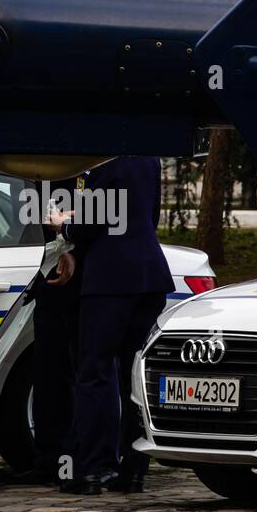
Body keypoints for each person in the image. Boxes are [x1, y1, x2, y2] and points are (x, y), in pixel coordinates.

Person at [53, 157, 172, 494]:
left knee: (95, 373)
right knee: (132, 378)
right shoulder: (149, 157)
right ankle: (134, 469)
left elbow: (93, 222)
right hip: (149, 273)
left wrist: (64, 226)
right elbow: (151, 215)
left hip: (110, 279)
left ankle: (92, 468)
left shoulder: (102, 160)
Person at [17, 178, 83, 486]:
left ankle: (69, 460)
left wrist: (66, 248)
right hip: (48, 274)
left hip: (74, 279)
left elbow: (82, 213)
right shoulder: (37, 168)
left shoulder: (77, 162)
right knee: (47, 371)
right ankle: (50, 458)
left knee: (68, 371)